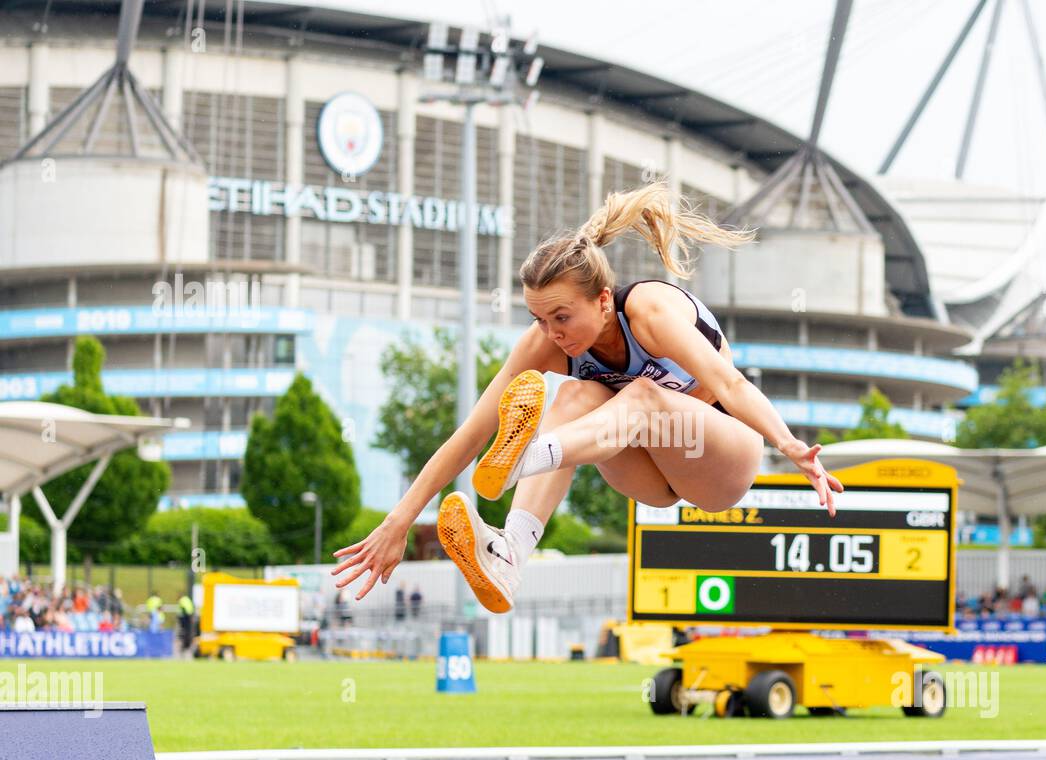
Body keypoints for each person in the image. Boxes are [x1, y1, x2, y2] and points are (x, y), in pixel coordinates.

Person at [332, 180, 843, 611]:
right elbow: (470, 434)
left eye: (561, 317)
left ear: (602, 301)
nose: (551, 332)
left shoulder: (649, 313)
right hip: (647, 474)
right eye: (538, 318)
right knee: (575, 395)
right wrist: (398, 521)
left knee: (641, 395)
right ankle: (511, 554)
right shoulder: (544, 346)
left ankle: (522, 460)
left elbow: (730, 384)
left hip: (715, 459)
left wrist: (790, 444)